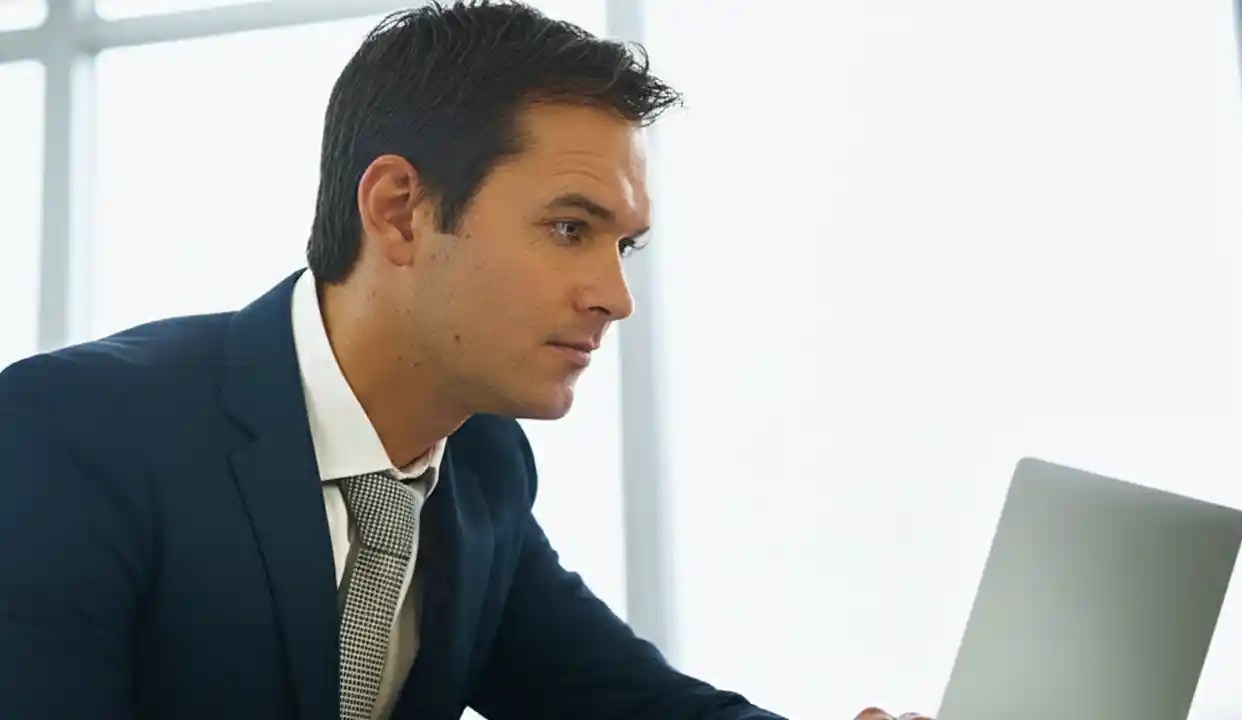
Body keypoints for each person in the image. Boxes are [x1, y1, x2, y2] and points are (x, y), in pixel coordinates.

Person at [0, 2, 931, 718]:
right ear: (401, 208)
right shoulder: (72, 435)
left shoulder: (480, 463)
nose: (614, 295)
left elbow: (623, 703)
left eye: (624, 247)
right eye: (570, 228)